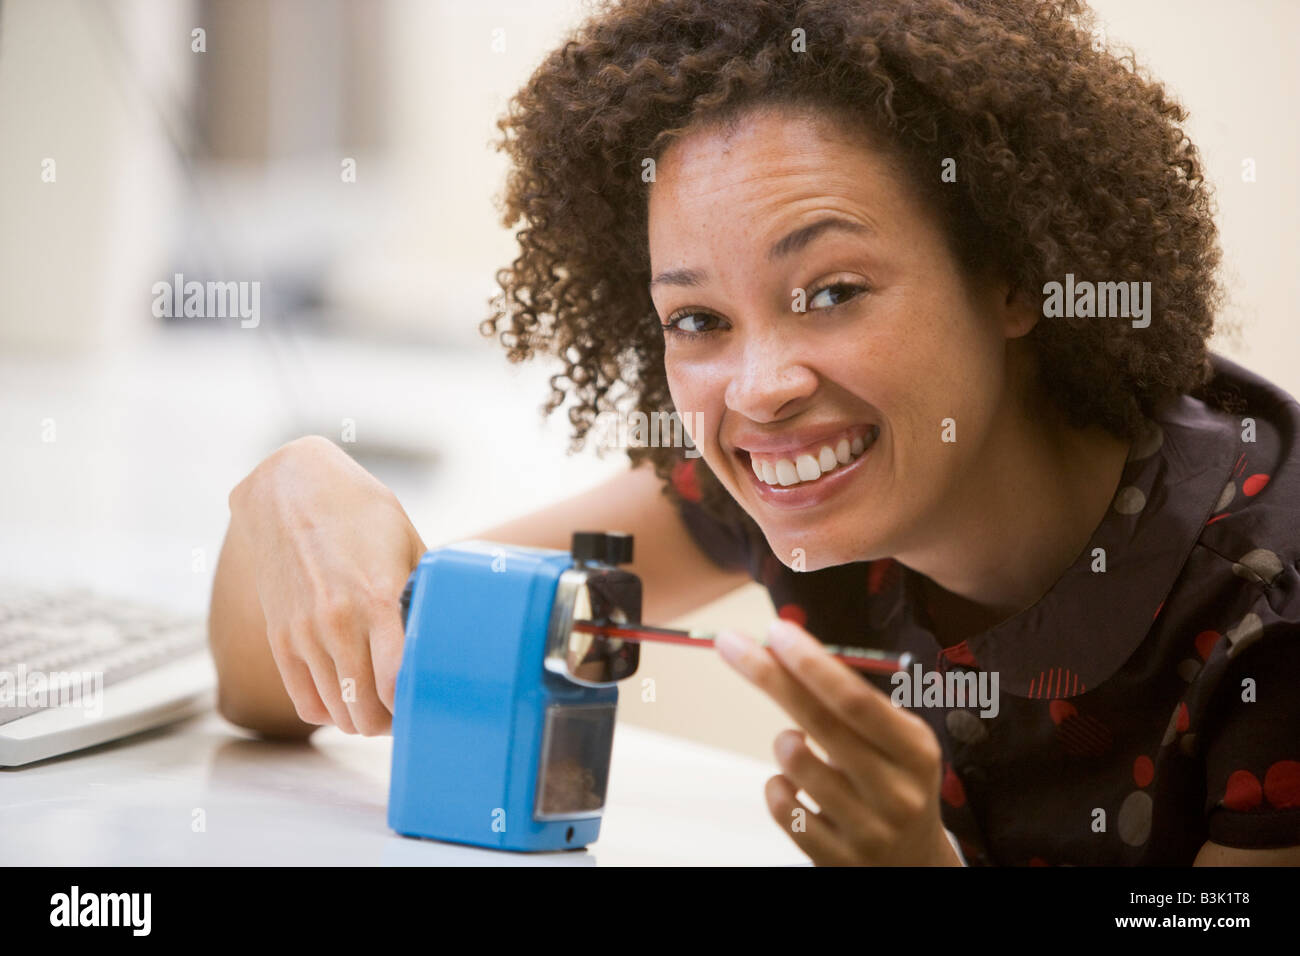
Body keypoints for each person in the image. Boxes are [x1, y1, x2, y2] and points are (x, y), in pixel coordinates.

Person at [208, 0, 1299, 865]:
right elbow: (280, 686)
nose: (761, 388)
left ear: (1012, 274)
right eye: (698, 319)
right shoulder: (754, 495)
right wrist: (290, 492)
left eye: (830, 291)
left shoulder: (1268, 616)